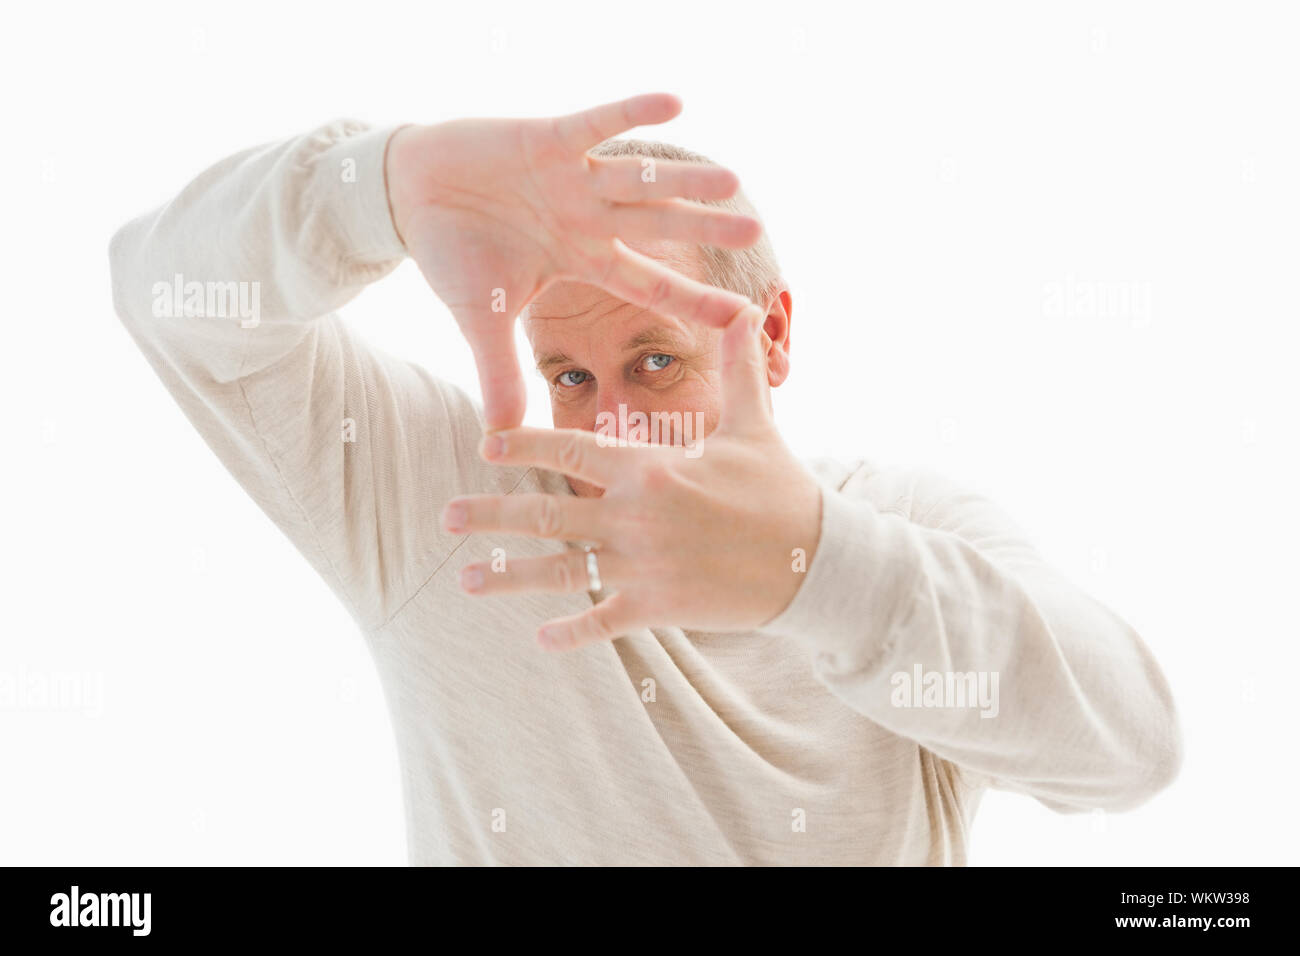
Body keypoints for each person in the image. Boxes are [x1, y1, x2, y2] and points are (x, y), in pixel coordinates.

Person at [109, 93, 1182, 865]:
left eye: (656, 360)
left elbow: (1131, 748)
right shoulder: (472, 507)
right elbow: (167, 296)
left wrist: (812, 569)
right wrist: (377, 189)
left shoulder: (896, 523)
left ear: (771, 339)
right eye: (569, 374)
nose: (613, 419)